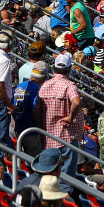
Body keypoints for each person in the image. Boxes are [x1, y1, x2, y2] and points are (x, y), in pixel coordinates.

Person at [36, 52, 85, 183]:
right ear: (69, 69)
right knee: (66, 179)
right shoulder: (69, 85)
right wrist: (70, 117)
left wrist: (42, 128)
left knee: (51, 175)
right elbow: (77, 102)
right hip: (66, 137)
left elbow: (37, 110)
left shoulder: (44, 85)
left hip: (49, 137)